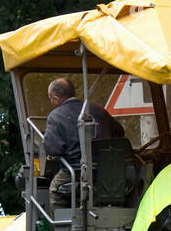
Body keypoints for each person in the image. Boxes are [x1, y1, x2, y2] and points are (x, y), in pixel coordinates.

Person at [43, 77, 125, 209]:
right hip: (108, 169)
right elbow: (120, 132)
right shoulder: (98, 110)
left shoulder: (55, 116)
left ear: (56, 98)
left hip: (75, 171)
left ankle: (60, 225)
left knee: (54, 189)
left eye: (50, 98)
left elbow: (53, 150)